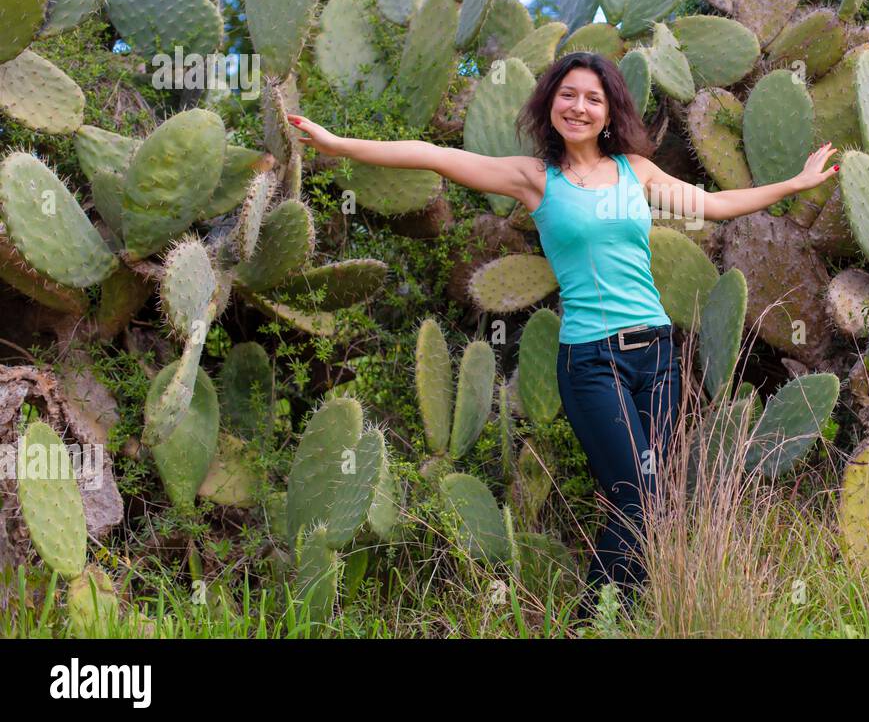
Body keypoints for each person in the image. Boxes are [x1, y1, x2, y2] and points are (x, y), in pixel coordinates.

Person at [287, 50, 839, 621]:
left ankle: (629, 619)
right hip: (591, 362)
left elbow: (717, 204)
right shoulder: (534, 179)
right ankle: (588, 624)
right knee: (634, 494)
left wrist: (795, 183)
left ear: (610, 111)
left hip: (658, 356)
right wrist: (338, 144)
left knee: (657, 501)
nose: (579, 107)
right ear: (550, 102)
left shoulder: (635, 171)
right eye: (568, 95)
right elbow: (437, 155)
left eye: (592, 99)